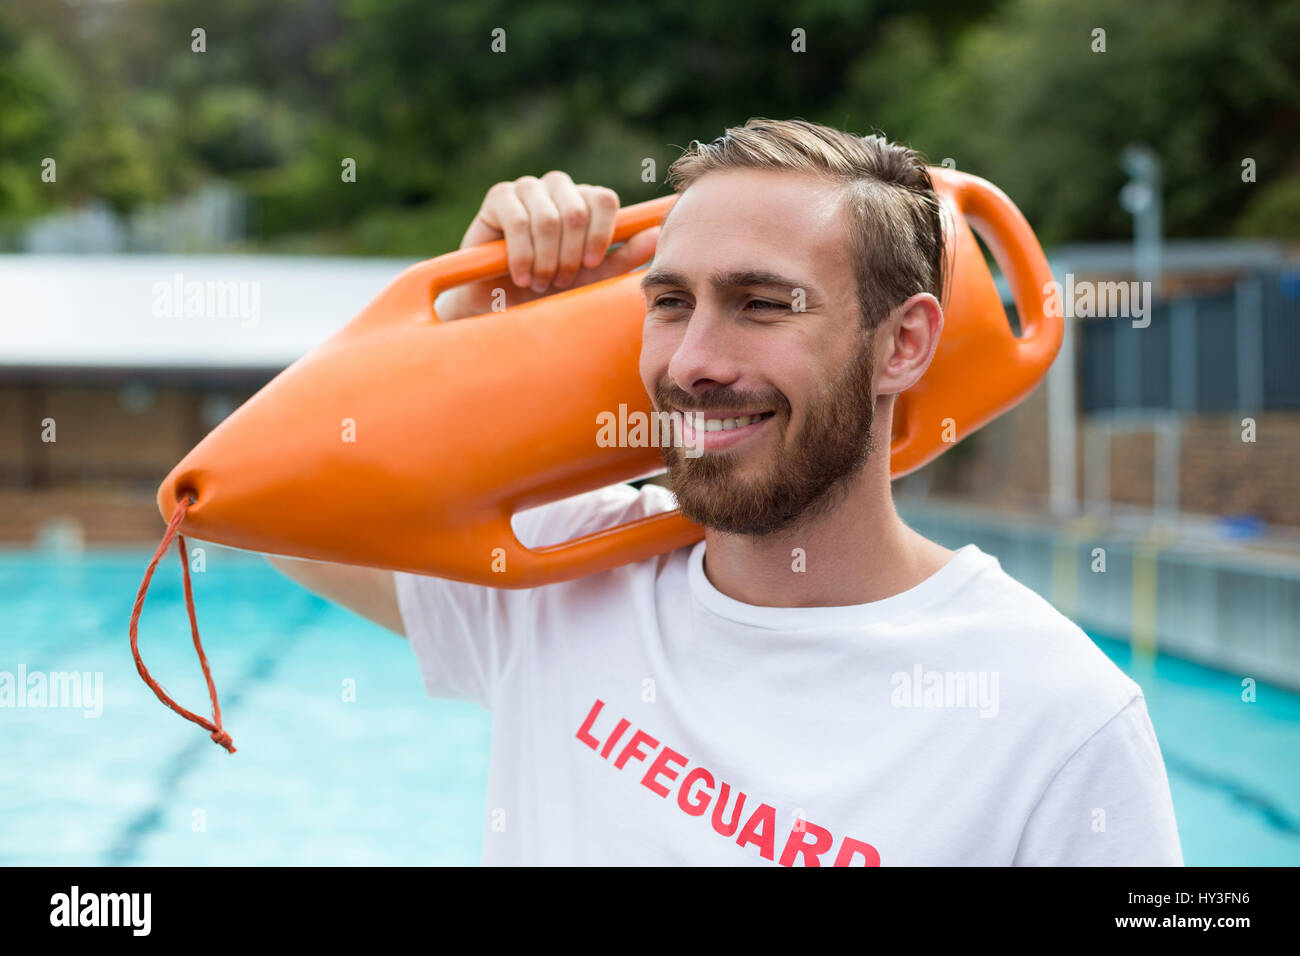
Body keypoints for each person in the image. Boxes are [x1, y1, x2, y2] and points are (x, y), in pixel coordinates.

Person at [269, 117, 1183, 866]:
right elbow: (276, 507)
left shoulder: (1056, 717)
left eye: (763, 304)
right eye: (670, 303)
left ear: (901, 345)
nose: (695, 363)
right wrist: (468, 340)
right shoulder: (556, 582)